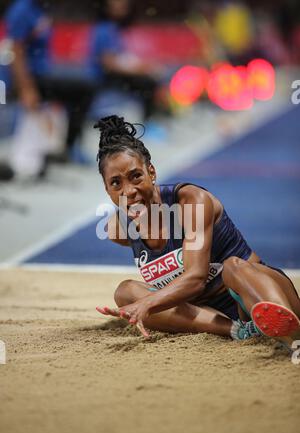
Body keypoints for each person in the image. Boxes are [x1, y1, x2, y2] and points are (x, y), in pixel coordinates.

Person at [94, 115, 300, 348]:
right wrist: (142, 301)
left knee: (232, 266)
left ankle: (289, 333)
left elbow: (195, 279)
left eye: (135, 176)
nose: (128, 190)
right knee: (126, 292)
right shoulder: (118, 229)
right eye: (116, 183)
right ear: (107, 189)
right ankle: (236, 330)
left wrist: (148, 304)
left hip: (253, 293)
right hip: (209, 314)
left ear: (151, 172)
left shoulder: (191, 201)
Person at [5, 0, 95, 170]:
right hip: (30, 77)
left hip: (43, 73)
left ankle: (64, 146)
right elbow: (16, 51)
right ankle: (68, 148)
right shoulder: (22, 9)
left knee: (82, 84)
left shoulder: (43, 8)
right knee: (83, 90)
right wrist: (26, 89)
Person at [90, 0, 166, 122]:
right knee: (148, 84)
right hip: (107, 82)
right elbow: (109, 63)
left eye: (124, 6)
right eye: (117, 6)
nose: (122, 9)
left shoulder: (117, 30)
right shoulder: (104, 29)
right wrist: (140, 70)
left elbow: (122, 58)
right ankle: (149, 121)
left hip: (117, 81)